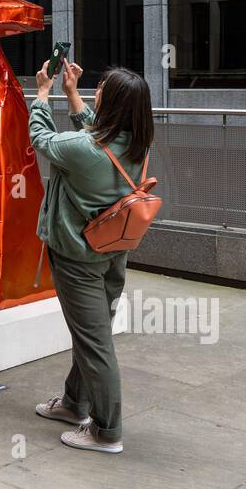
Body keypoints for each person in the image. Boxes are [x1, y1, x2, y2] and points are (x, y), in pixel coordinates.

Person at [27, 60, 154, 454]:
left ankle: (106, 430)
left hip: (77, 257)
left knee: (95, 343)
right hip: (114, 252)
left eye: (101, 88)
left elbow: (42, 138)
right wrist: (71, 93)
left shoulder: (82, 150)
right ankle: (73, 404)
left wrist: (44, 94)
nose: (95, 92)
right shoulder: (136, 142)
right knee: (92, 335)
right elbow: (96, 129)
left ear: (112, 103)